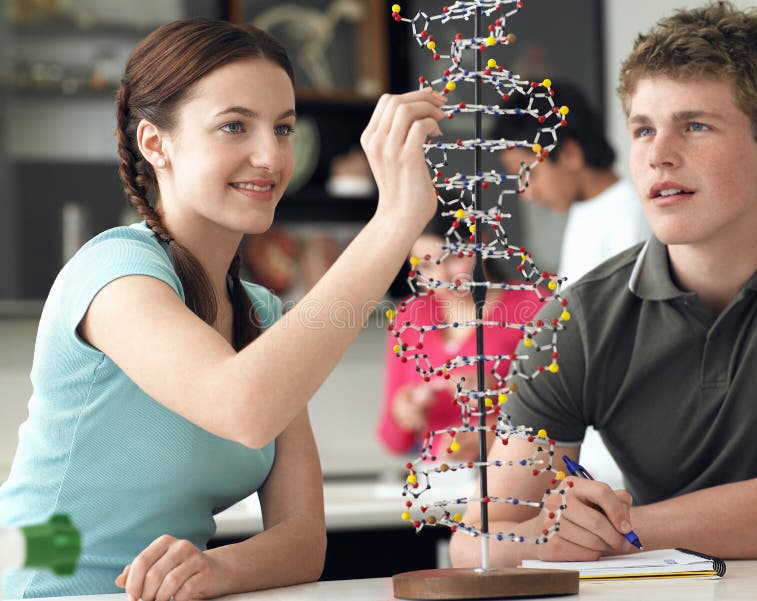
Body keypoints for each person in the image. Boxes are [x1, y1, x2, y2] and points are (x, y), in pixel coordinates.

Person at [0, 18, 445, 600]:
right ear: (155, 143)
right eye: (234, 126)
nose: (270, 156)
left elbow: (302, 540)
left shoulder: (262, 314)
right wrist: (392, 223)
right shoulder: (111, 273)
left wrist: (217, 569)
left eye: (283, 128)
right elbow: (242, 405)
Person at [451, 1, 757, 567]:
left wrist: (607, 530)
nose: (659, 156)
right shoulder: (578, 321)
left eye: (696, 126)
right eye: (643, 129)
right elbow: (474, 542)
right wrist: (544, 537)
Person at [377, 215, 544, 461]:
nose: (441, 277)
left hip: (522, 480)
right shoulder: (409, 317)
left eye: (453, 258)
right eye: (425, 266)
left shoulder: (533, 305)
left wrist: (496, 424)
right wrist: (402, 413)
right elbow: (393, 442)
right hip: (441, 486)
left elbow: (566, 413)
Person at [496, 81, 650, 285]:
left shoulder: (630, 215)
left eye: (529, 175)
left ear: (570, 154)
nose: (526, 194)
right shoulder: (585, 211)